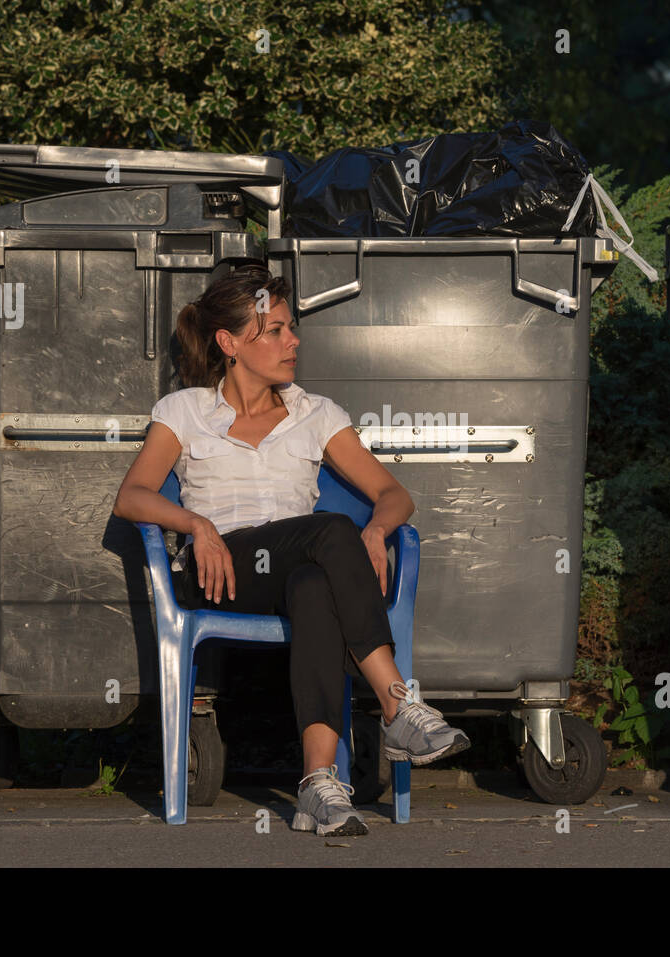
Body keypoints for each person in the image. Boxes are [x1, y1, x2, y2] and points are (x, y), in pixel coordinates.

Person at [112, 263, 470, 836]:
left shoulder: (315, 414)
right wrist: (196, 524)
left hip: (294, 571)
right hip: (219, 573)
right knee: (330, 531)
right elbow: (130, 498)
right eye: (274, 330)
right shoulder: (183, 411)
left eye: (289, 328)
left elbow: (392, 493)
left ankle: (317, 788)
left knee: (312, 583)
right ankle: (397, 705)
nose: (292, 340)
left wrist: (376, 531)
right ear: (230, 344)